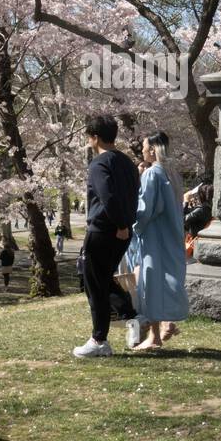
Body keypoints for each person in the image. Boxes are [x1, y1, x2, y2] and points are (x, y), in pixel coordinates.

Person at [73, 114, 141, 358]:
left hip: (104, 229)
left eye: (89, 137)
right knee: (102, 281)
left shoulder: (100, 164)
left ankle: (99, 339)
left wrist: (121, 223)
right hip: (122, 231)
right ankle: (127, 318)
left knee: (95, 286)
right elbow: (134, 195)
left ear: (95, 138)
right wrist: (126, 224)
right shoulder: (128, 163)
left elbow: (107, 197)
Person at [131, 131, 190, 350]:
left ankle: (154, 336)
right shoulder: (172, 173)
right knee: (169, 280)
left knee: (152, 283)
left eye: (145, 147)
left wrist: (133, 225)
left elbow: (145, 209)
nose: (143, 151)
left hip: (154, 237)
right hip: (172, 234)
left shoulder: (152, 174)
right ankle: (167, 323)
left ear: (153, 149)